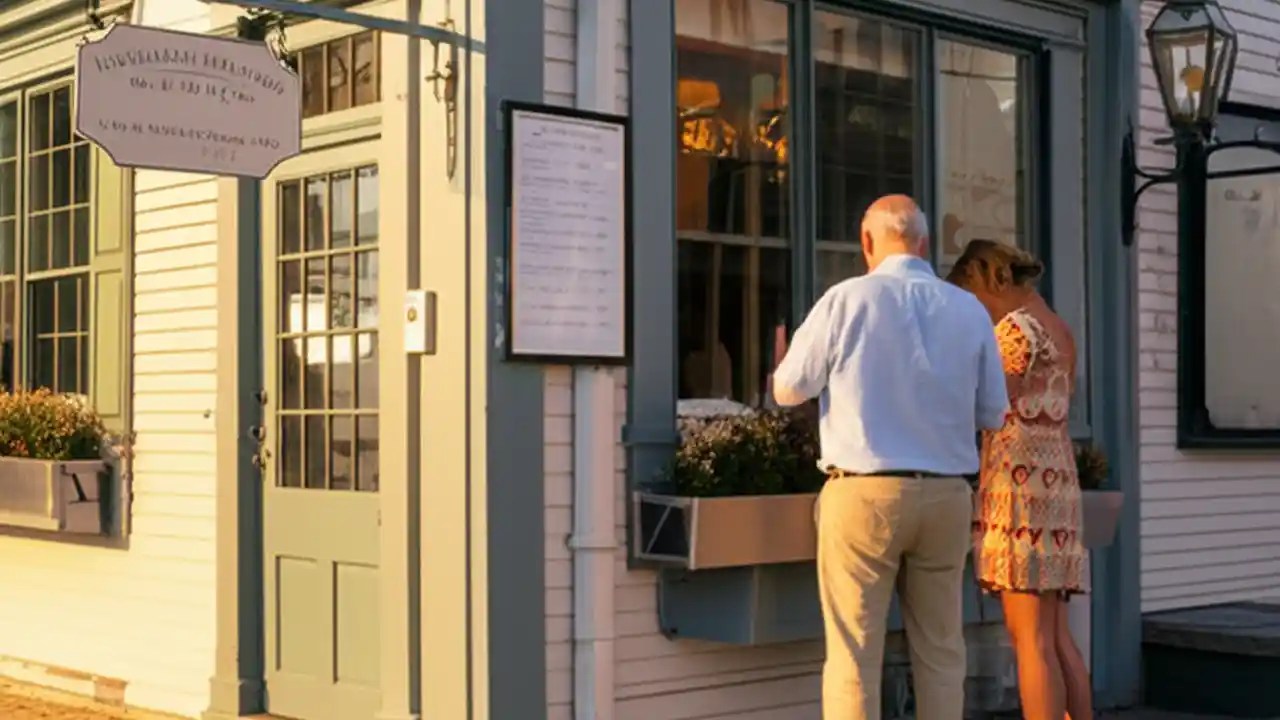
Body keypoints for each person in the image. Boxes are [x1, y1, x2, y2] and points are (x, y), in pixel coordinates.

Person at [772, 195, 1009, 720]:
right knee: (942, 649)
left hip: (864, 491)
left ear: (866, 241)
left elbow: (789, 390)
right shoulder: (968, 309)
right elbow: (993, 414)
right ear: (924, 244)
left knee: (854, 654)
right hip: (946, 492)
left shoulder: (845, 299)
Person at [945, 239, 1092, 720]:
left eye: (974, 299)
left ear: (992, 281)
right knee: (1056, 636)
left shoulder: (1015, 330)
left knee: (1029, 639)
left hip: (1020, 490)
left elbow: (988, 404)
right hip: (1057, 485)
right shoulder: (1058, 328)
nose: (977, 313)